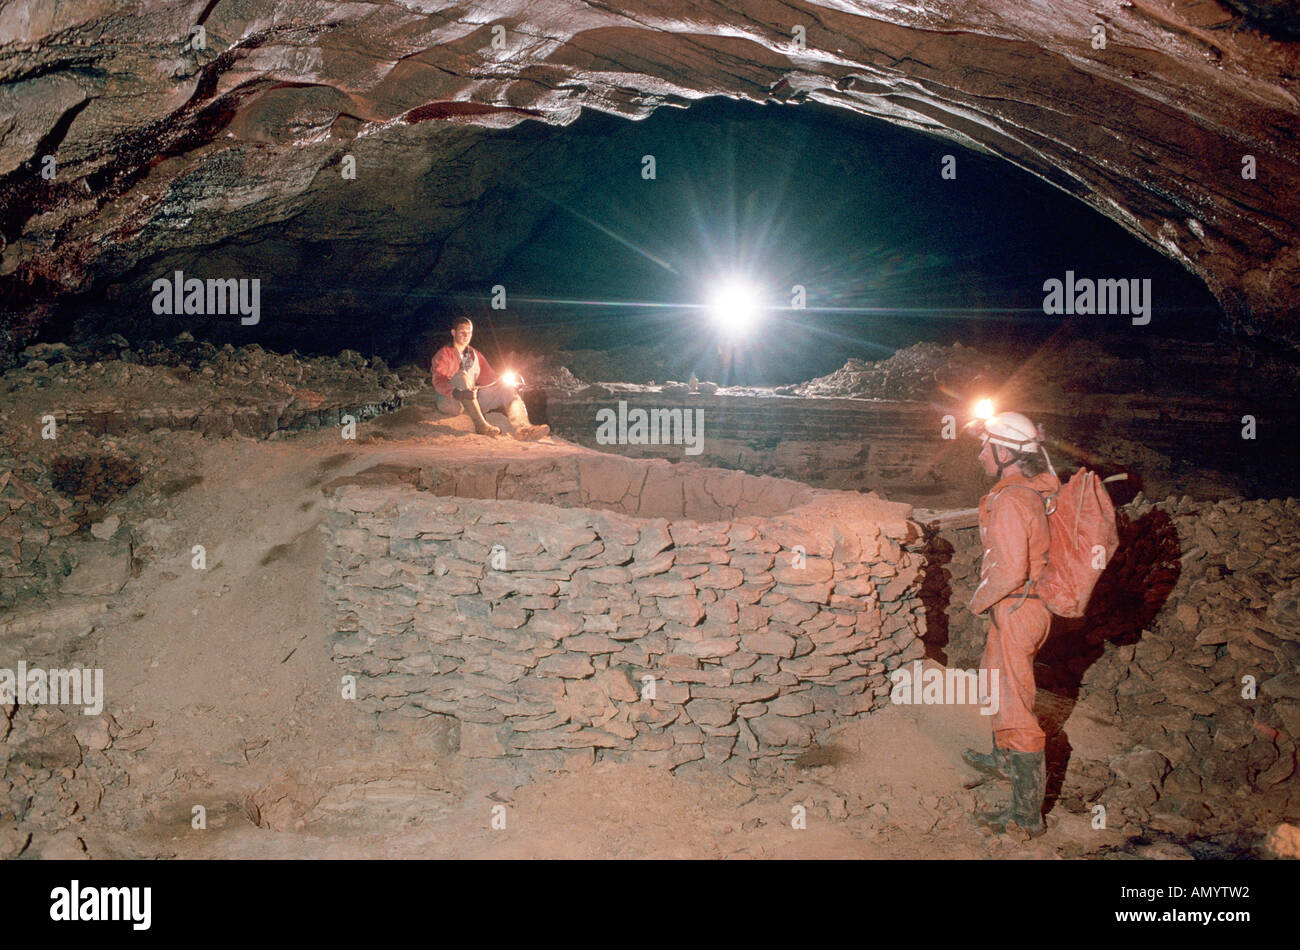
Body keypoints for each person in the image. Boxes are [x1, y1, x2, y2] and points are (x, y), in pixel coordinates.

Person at [962, 410, 1060, 838]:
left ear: (1004, 451)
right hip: (1023, 608)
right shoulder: (1030, 491)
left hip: (1017, 608)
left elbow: (1008, 571)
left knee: (1016, 707)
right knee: (995, 680)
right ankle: (1003, 758)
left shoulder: (1010, 500)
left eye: (986, 446)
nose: (981, 453)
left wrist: (975, 604)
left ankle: (1026, 816)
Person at [430, 317, 548, 440]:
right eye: (462, 332)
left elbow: (490, 380)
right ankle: (481, 426)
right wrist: (455, 392)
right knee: (462, 375)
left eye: (469, 332)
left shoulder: (474, 354)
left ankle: (523, 429)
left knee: (506, 388)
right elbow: (439, 381)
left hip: (470, 399)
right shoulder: (443, 354)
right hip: (450, 401)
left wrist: (507, 381)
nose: (466, 336)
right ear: (453, 332)